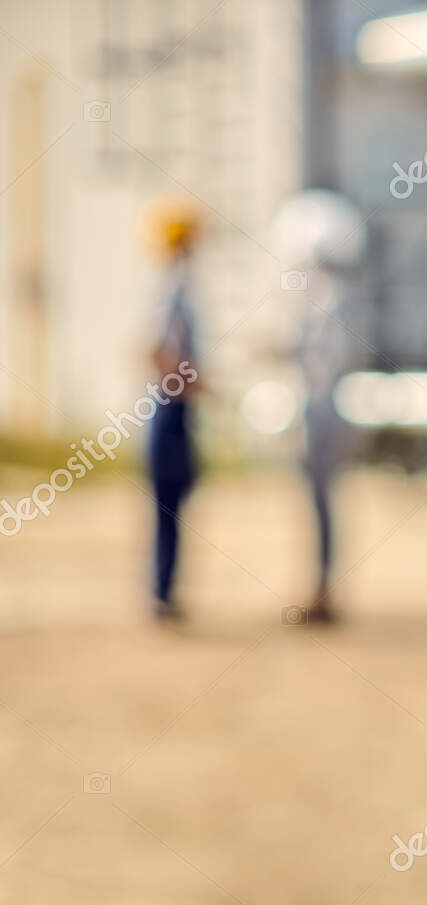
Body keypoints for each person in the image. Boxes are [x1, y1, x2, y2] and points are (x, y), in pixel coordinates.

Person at [272, 190, 369, 622]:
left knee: (320, 499)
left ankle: (323, 588)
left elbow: (320, 355)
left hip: (323, 406)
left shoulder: (331, 298)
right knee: (317, 501)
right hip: (324, 403)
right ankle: (320, 584)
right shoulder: (341, 295)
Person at [144, 200, 203, 621]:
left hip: (173, 408)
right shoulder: (171, 288)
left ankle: (165, 592)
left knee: (176, 499)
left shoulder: (171, 285)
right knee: (169, 503)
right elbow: (155, 350)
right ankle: (161, 594)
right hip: (169, 409)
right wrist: (191, 384)